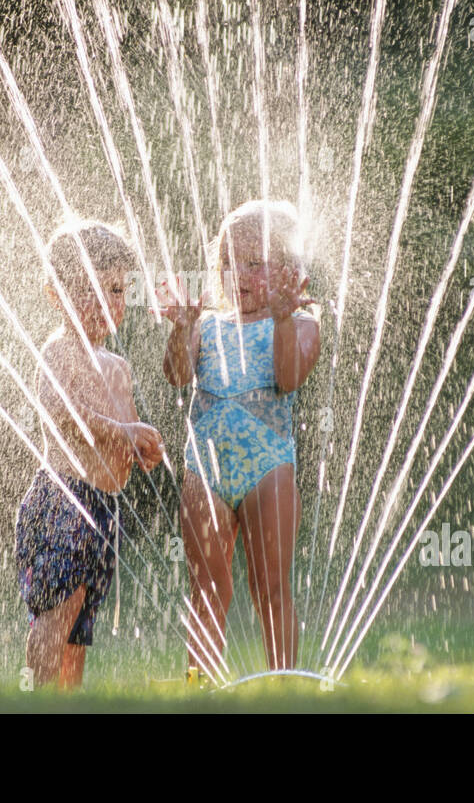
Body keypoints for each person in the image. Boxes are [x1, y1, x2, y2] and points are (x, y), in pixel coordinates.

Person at [159, 200, 320, 680]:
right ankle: (200, 686)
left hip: (267, 465)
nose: (239, 275)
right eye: (228, 263)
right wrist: (182, 328)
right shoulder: (206, 324)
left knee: (270, 587)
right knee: (207, 588)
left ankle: (284, 685)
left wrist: (285, 320)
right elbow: (175, 375)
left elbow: (289, 378)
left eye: (255, 263)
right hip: (204, 468)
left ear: (290, 271)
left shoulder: (299, 323)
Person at [15, 221, 165, 688]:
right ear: (55, 293)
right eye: (91, 290)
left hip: (104, 510)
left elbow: (126, 433)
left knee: (81, 626)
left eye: (118, 289)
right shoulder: (59, 351)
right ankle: (37, 694)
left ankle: (68, 698)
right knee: (60, 610)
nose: (108, 303)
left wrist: (143, 450)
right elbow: (60, 412)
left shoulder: (118, 367)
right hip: (63, 501)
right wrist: (123, 429)